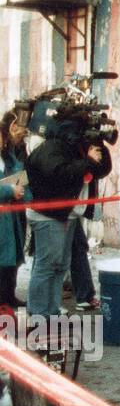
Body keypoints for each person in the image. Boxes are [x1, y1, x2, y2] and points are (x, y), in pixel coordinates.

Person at [25, 116, 112, 319]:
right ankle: (39, 312)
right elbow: (60, 173)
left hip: (67, 214)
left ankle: (50, 310)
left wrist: (101, 147)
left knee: (60, 265)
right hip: (47, 216)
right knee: (47, 266)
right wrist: (87, 161)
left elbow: (101, 170)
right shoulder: (51, 148)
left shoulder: (75, 148)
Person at [0, 110, 31, 309]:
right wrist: (10, 190)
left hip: (12, 214)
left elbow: (20, 173)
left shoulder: (9, 154)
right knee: (3, 259)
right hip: (4, 215)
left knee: (12, 259)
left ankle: (8, 296)